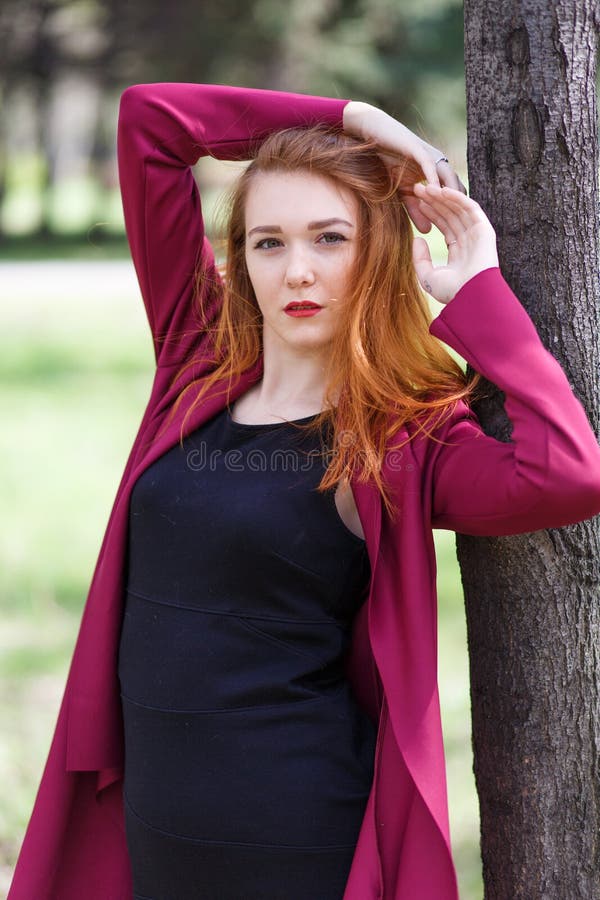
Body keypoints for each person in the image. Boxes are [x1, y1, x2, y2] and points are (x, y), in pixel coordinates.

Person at [8, 83, 600, 900]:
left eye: (330, 239)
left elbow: (568, 475)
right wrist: (360, 119)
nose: (297, 271)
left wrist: (478, 297)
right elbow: (152, 121)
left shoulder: (400, 439)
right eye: (268, 243)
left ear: (379, 251)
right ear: (240, 260)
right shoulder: (197, 361)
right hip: (154, 822)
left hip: (291, 833)